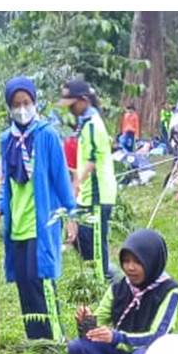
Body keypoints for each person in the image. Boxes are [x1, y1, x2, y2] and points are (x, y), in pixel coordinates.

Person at [68, 229, 178, 354]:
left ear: (152, 261)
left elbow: (157, 336)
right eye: (126, 261)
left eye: (138, 262)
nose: (130, 267)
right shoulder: (119, 286)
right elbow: (99, 320)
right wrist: (86, 321)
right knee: (77, 347)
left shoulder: (169, 291)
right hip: (119, 353)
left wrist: (117, 337)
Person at [0, 76, 73, 341]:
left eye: (26, 102)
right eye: (16, 104)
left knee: (42, 281)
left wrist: (70, 215)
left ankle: (53, 338)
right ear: (9, 107)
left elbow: (61, 178)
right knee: (24, 283)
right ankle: (35, 339)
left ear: (34, 102)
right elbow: (6, 182)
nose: (22, 109)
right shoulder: (7, 140)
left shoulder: (47, 135)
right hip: (17, 223)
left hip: (42, 223)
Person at [61, 78, 118, 284]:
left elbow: (92, 161)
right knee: (79, 238)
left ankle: (108, 282)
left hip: (97, 193)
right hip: (87, 193)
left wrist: (76, 185)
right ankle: (107, 276)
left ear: (84, 100)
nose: (70, 108)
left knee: (94, 243)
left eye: (72, 104)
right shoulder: (84, 124)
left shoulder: (93, 124)